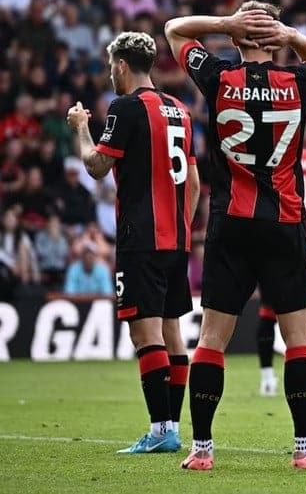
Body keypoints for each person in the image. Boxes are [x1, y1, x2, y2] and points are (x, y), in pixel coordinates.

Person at [164, 1, 306, 470]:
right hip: (284, 224)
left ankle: (201, 451)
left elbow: (175, 31)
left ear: (240, 37)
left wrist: (225, 25)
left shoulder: (218, 78)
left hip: (230, 223)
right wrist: (288, 33)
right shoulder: (299, 82)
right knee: (299, 338)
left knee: (211, 339)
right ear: (275, 40)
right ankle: (305, 451)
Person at [66, 31, 200, 454]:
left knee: (146, 335)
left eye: (111, 66)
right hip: (175, 239)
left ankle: (161, 431)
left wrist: (83, 128)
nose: (110, 73)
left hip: (140, 239)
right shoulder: (180, 109)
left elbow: (97, 167)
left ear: (121, 65)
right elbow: (193, 182)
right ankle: (172, 428)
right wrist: (180, 227)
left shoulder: (124, 107)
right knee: (173, 333)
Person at [257, 147, 306, 397]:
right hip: (280, 240)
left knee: (294, 313)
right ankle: (268, 376)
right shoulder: (295, 156)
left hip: (301, 242)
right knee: (271, 313)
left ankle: (280, 375)